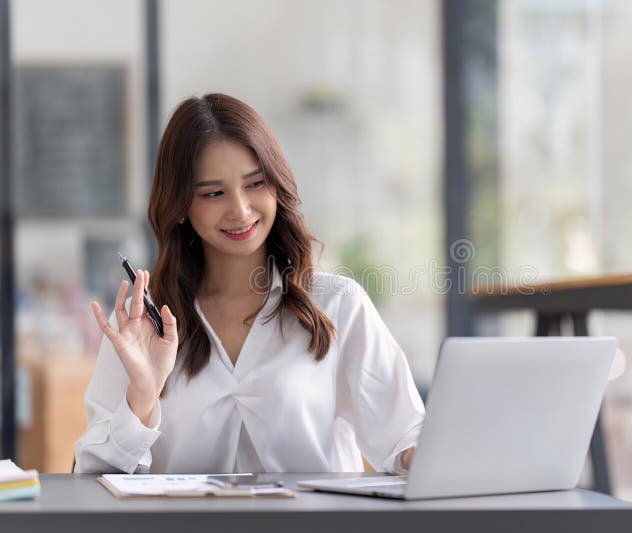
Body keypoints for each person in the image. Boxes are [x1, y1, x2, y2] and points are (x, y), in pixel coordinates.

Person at [74, 93, 424, 474]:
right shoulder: (143, 322)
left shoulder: (338, 304)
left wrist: (419, 456)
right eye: (213, 193)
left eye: (255, 184)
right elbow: (88, 479)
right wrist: (141, 398)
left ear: (277, 184)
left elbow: (405, 438)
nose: (240, 210)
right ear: (180, 206)